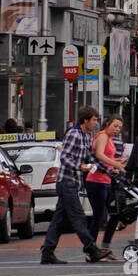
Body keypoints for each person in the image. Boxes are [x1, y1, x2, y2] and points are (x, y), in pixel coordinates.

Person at [39, 107, 113, 264]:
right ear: (85, 120)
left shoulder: (86, 136)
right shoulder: (73, 134)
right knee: (78, 217)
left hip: (73, 182)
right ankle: (91, 249)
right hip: (67, 181)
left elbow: (92, 157)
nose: (96, 123)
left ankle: (47, 251)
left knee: (59, 219)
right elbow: (65, 157)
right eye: (94, 120)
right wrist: (80, 167)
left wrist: (110, 170)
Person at [86, 115, 127, 260]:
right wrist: (115, 164)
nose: (117, 130)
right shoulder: (102, 136)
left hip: (106, 180)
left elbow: (105, 159)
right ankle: (91, 251)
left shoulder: (109, 138)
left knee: (115, 214)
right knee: (99, 216)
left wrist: (117, 162)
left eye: (119, 128)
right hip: (96, 181)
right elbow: (99, 155)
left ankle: (105, 247)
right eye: (115, 126)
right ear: (107, 123)